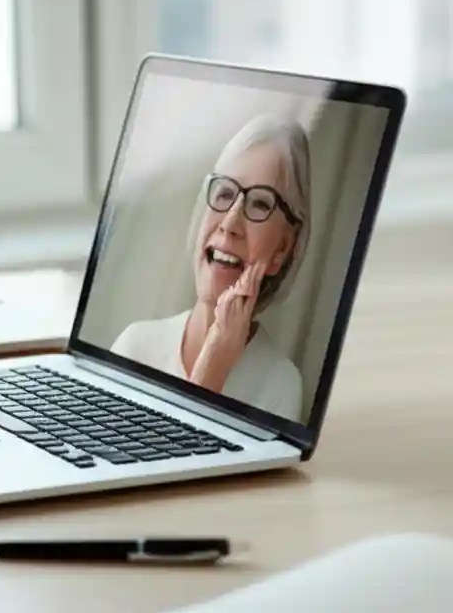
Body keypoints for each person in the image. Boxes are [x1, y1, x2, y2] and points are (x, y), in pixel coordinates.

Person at [112, 113, 312, 421]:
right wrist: (211, 368)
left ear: (282, 249)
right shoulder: (135, 347)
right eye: (225, 193)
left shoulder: (280, 386)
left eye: (260, 203)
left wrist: (216, 362)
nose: (231, 223)